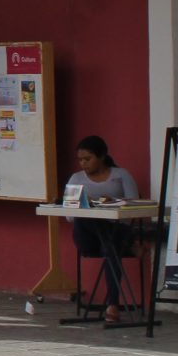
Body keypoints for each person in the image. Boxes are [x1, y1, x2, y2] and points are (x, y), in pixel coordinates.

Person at [65, 135, 139, 322]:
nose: (84, 164)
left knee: (111, 247)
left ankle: (112, 304)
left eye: (88, 159)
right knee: (87, 217)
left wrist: (112, 203)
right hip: (88, 237)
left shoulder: (121, 176)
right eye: (80, 160)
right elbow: (69, 215)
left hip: (117, 231)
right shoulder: (76, 178)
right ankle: (113, 304)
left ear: (102, 156)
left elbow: (134, 207)